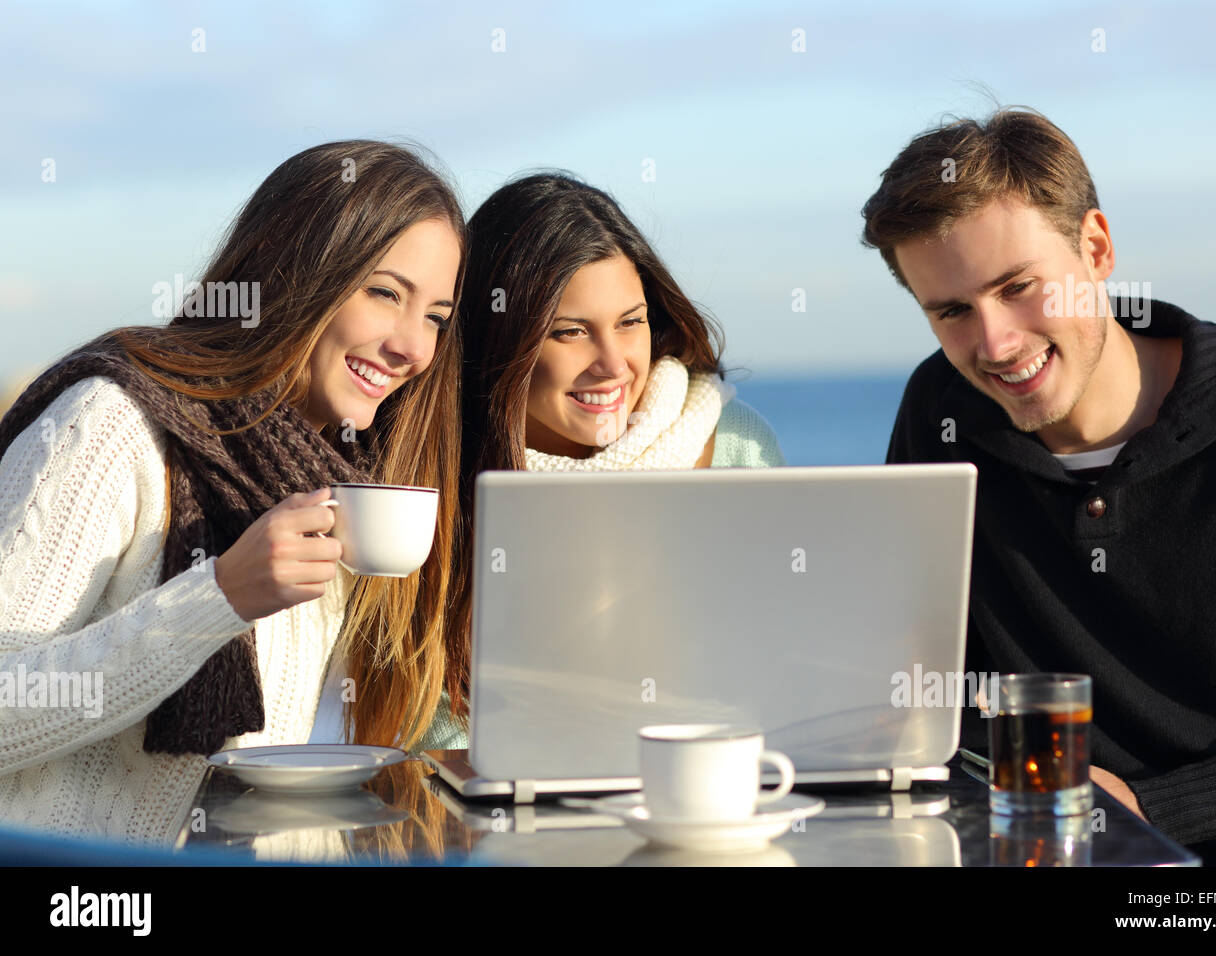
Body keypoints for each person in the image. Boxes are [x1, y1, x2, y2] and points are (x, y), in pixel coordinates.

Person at [865, 108, 1216, 866]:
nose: (996, 343)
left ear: (1095, 248)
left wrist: (1147, 810)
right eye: (953, 311)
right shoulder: (941, 411)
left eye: (1019, 287)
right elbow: (923, 678)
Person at [0, 140, 468, 845]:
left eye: (436, 315)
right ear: (296, 274)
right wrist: (214, 597)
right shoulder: (112, 424)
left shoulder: (323, 472)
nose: (413, 347)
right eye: (384, 293)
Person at [411, 173, 784, 752]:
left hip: (701, 781)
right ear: (499, 341)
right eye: (570, 333)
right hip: (496, 811)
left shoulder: (733, 442)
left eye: (630, 322)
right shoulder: (438, 476)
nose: (613, 364)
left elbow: (786, 659)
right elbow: (426, 729)